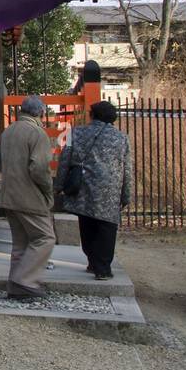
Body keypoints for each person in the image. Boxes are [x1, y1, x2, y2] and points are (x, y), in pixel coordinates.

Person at [56, 100, 133, 280]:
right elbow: (126, 169)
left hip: (83, 186)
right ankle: (103, 268)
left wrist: (59, 185)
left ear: (92, 114)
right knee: (107, 227)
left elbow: (64, 161)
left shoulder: (75, 133)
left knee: (87, 222)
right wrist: (126, 195)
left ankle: (92, 260)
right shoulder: (121, 138)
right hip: (110, 189)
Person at [0, 94, 56, 298]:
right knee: (45, 238)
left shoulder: (8, 131)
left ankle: (15, 285)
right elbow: (39, 168)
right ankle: (26, 281)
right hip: (29, 196)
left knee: (20, 242)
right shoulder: (37, 133)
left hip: (9, 194)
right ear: (40, 111)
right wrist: (48, 191)